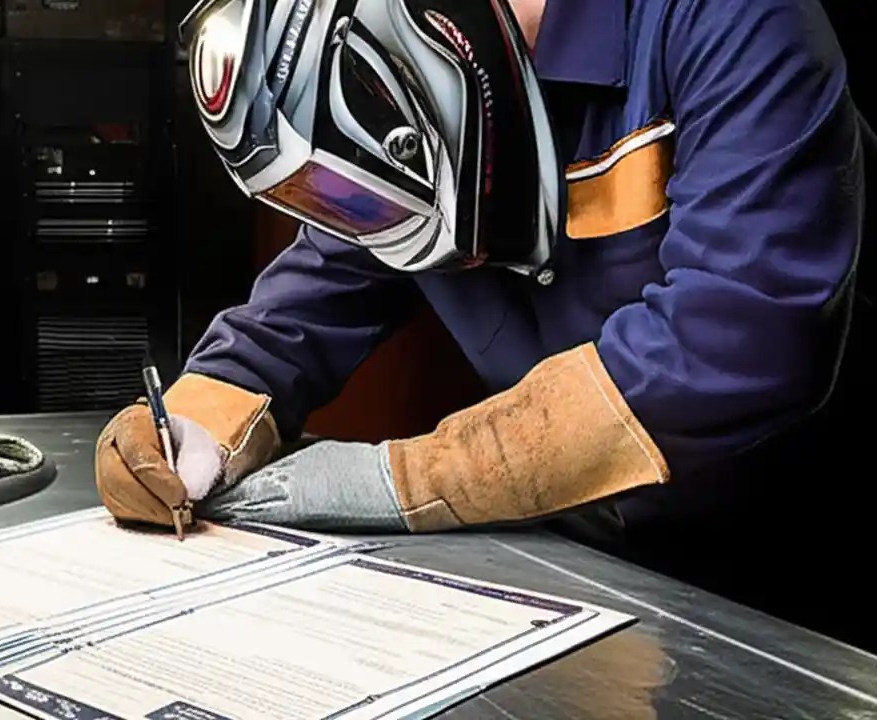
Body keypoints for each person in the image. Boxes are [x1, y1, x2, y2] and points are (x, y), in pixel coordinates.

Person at [96, 0, 871, 646]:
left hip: (799, 584)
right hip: (589, 571)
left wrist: (408, 481)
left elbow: (739, 340)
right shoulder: (400, 128)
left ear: (442, 42)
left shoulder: (729, 19)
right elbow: (297, 313)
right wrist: (186, 429)